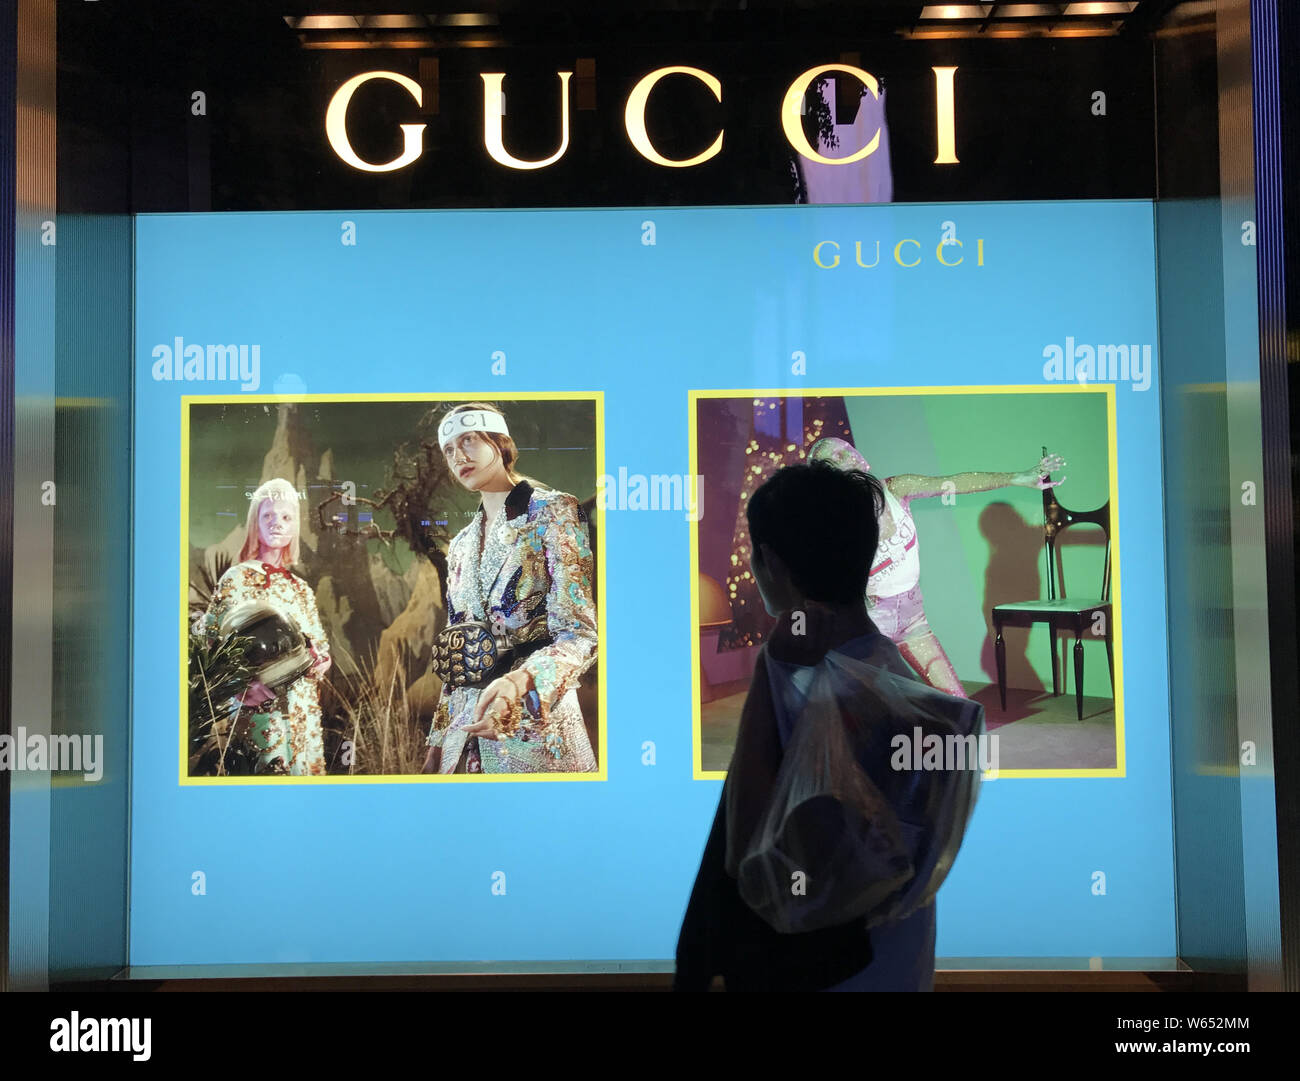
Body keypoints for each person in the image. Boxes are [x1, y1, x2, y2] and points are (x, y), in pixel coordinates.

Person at [675, 461, 983, 991]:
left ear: (768, 561)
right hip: (896, 969)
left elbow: (752, 865)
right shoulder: (910, 689)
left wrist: (766, 683)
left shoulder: (801, 689)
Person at [809, 437, 1065, 697]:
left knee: (958, 703)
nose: (848, 455)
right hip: (869, 626)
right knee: (873, 710)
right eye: (837, 458)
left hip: (913, 622)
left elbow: (954, 483)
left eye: (846, 448)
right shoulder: (832, 524)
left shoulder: (897, 488)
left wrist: (1017, 477)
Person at [422, 402, 598, 775]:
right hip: (465, 733)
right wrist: (438, 744)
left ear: (499, 442)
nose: (459, 456)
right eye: (449, 449)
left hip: (536, 726)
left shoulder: (554, 511)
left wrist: (519, 683)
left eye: (469, 440)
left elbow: (580, 634)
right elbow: (457, 645)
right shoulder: (461, 545)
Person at [201, 477, 332, 775]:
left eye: (286, 517)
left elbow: (320, 649)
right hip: (259, 713)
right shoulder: (236, 578)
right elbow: (208, 644)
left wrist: (322, 660)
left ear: (295, 526)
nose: (277, 524)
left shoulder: (301, 588)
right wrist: (239, 688)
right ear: (254, 523)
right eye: (268, 515)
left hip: (303, 714)